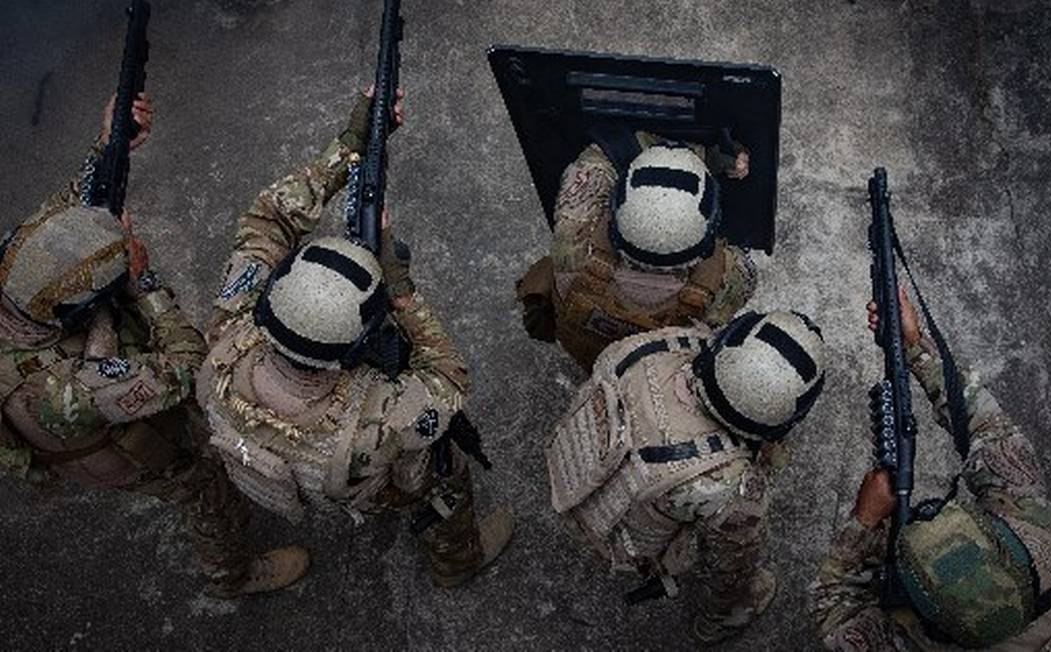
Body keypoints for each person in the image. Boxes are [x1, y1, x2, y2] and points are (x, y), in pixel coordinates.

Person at [197, 87, 514, 589]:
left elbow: (269, 217)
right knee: (444, 471)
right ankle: (456, 560)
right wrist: (400, 288)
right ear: (357, 350)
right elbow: (448, 378)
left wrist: (352, 144)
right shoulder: (381, 419)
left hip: (267, 454)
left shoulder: (227, 335)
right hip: (363, 481)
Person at [0, 93, 307, 598]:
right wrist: (142, 283)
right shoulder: (66, 389)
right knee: (204, 489)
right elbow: (187, 366)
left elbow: (62, 224)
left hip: (87, 397)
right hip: (122, 442)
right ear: (73, 313)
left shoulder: (19, 278)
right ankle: (231, 575)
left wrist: (110, 145)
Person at [808, 289, 1051, 650]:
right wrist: (913, 345)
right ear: (1008, 543)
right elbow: (986, 427)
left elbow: (832, 613)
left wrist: (865, 521)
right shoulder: (1035, 527)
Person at [546, 309, 826, 643]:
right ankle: (722, 618)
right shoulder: (726, 482)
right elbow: (730, 560)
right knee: (735, 548)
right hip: (616, 541)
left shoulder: (652, 345)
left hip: (575, 474)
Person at [516, 130, 758, 371]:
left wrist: (681, 152)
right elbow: (745, 276)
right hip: (647, 373)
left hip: (585, 352)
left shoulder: (573, 242)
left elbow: (598, 157)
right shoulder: (726, 277)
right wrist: (708, 156)